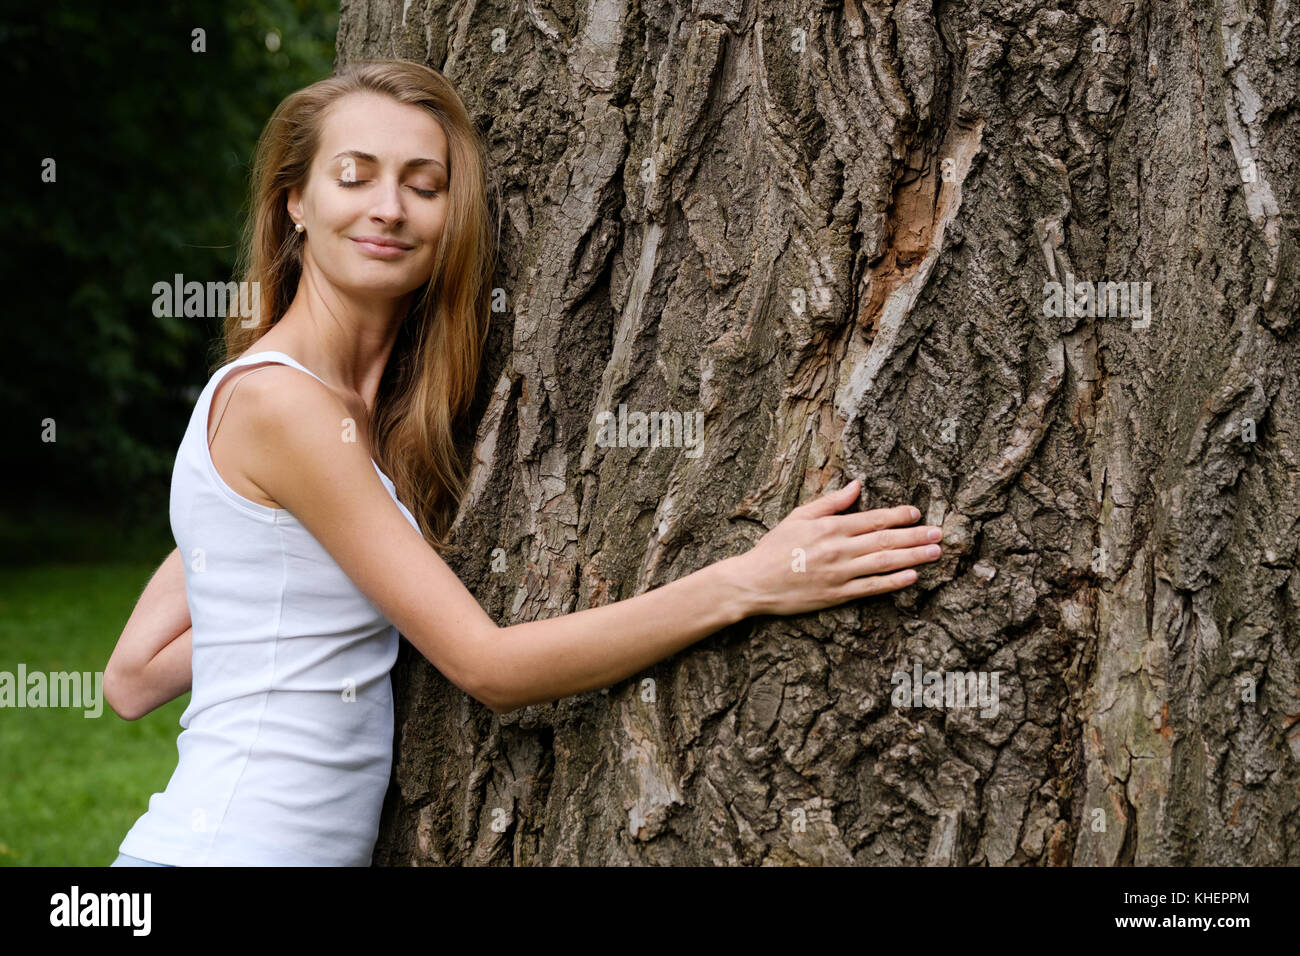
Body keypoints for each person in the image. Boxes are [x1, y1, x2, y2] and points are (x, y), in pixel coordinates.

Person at [104, 60, 944, 866]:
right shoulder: (285, 408)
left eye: (424, 186)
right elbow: (490, 667)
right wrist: (749, 582)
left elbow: (134, 675)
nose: (389, 208)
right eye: (354, 177)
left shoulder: (314, 415)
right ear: (294, 201)